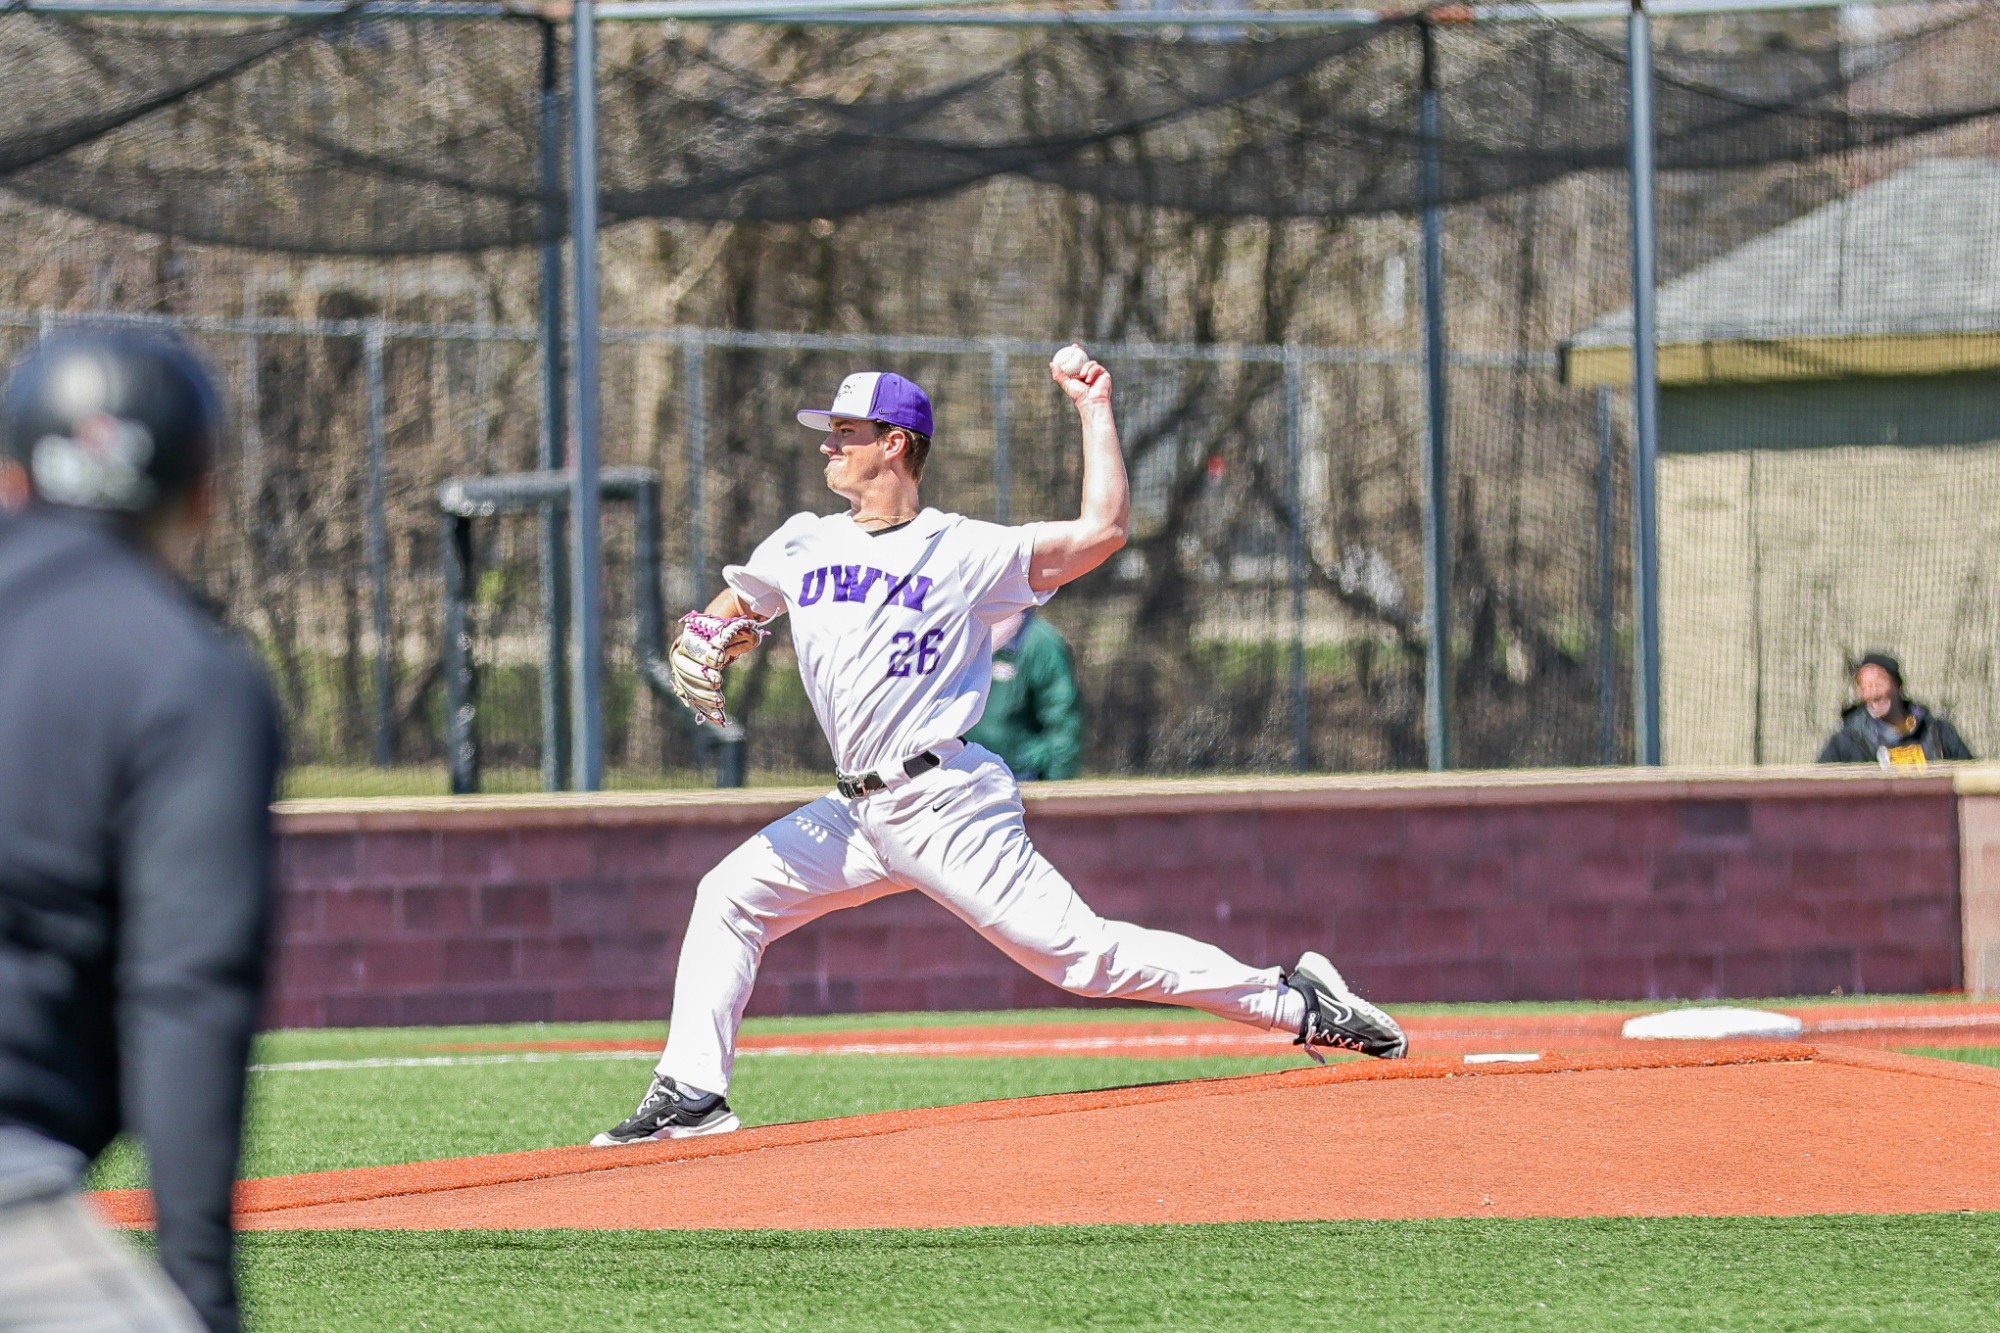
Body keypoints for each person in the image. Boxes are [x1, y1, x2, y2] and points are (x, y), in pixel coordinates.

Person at [594, 352, 1405, 1147]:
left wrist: (1094, 408)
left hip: (943, 800)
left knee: (1081, 957)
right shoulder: (802, 540)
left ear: (897, 443)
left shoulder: (964, 550)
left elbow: (1104, 531)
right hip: (852, 812)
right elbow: (734, 608)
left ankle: (1297, 1001)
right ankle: (693, 1092)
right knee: (729, 895)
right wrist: (705, 633)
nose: (827, 446)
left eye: (846, 431)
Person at [0, 334, 281, 1333]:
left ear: (10, 476)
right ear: (203, 496)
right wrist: (201, 1292)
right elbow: (188, 993)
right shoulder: (187, 675)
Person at [963, 608, 1084, 780]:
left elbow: (1064, 726)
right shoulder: (952, 634)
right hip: (954, 780)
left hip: (1019, 780)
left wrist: (1055, 792)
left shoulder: (1041, 643)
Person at [1818, 652, 1972, 767]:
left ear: (1897, 685)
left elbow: (1971, 778)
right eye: (1865, 686)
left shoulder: (1937, 732)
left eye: (1879, 683)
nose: (1874, 693)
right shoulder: (1848, 741)